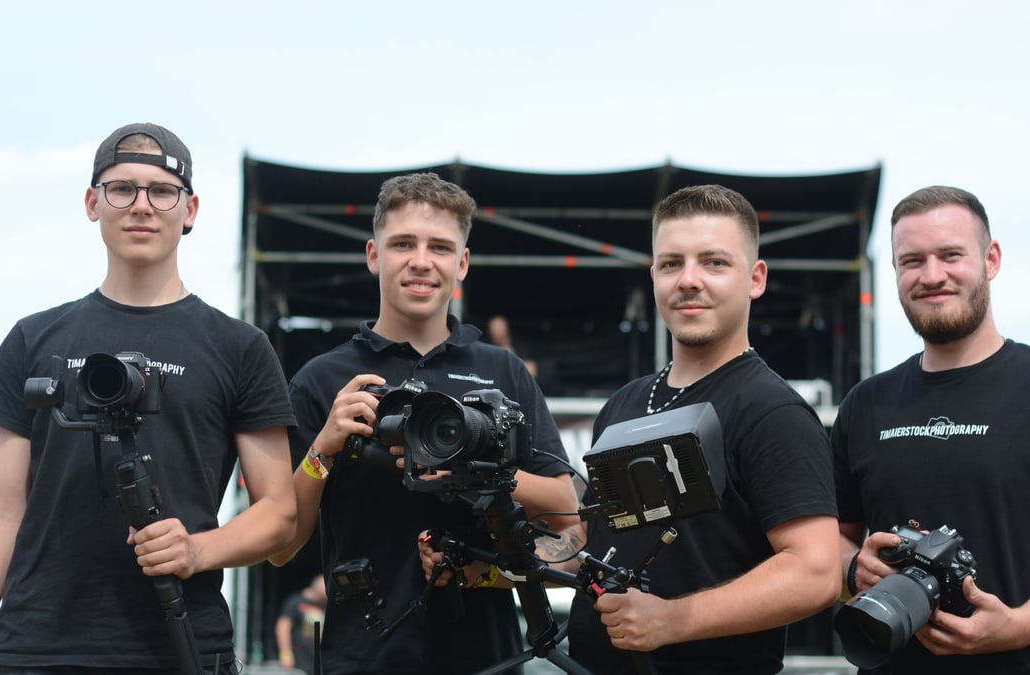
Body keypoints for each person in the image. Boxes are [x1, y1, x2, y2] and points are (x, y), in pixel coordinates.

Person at [0, 123, 297, 675]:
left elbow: (279, 512)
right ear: (93, 202)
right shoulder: (34, 337)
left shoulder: (239, 347)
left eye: (162, 191)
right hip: (35, 648)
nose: (142, 206)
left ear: (191, 210)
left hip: (182, 647)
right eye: (122, 188)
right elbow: (1, 504)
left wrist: (197, 551)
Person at [268, 172, 580, 674]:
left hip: (488, 658)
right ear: (374, 255)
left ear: (461, 265)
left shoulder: (502, 371)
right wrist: (323, 448)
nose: (420, 261)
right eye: (403, 244)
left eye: (439, 247)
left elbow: (568, 517)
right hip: (360, 658)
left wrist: (474, 472)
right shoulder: (322, 379)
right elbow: (281, 550)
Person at [832, 185, 1030, 674]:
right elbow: (831, 538)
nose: (932, 276)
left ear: (991, 258)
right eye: (912, 261)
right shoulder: (865, 405)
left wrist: (1026, 622)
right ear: (894, 273)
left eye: (951, 255)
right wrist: (853, 566)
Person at [562, 184, 841, 674]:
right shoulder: (624, 403)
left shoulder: (773, 412)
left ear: (755, 279)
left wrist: (672, 621)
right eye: (671, 263)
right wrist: (495, 569)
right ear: (653, 277)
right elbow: (589, 542)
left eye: (713, 262)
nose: (689, 280)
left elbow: (816, 573)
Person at [275, 575, 328, 672]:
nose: (325, 599)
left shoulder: (325, 604)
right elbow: (283, 627)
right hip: (300, 657)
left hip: (320, 657)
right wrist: (286, 654)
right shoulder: (295, 602)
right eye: (323, 595)